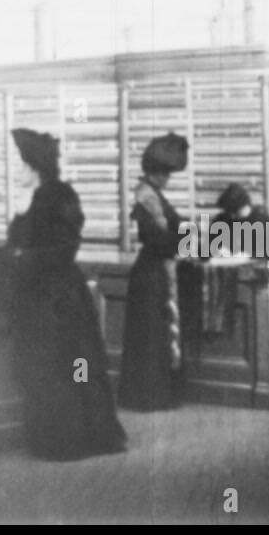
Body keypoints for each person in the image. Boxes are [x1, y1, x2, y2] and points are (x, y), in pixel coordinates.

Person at [0, 127, 126, 460]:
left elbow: (65, 248)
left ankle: (78, 439)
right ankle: (57, 438)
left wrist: (20, 257)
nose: (16, 171)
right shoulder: (31, 198)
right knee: (46, 370)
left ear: (32, 165)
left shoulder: (59, 195)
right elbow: (20, 245)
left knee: (71, 367)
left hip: (60, 299)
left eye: (20, 164)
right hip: (37, 298)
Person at [117, 132, 190, 411]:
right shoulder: (145, 200)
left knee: (155, 336)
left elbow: (176, 225)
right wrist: (192, 244)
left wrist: (202, 240)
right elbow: (157, 240)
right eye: (166, 173)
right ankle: (149, 397)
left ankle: (158, 394)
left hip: (155, 273)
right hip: (150, 275)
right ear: (156, 172)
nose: (168, 179)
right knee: (150, 338)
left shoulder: (155, 195)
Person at [213, 182, 269, 258]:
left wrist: (248, 255)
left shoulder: (262, 220)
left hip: (253, 267)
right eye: (228, 211)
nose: (231, 215)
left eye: (233, 211)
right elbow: (204, 250)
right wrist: (217, 250)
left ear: (244, 206)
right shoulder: (222, 219)